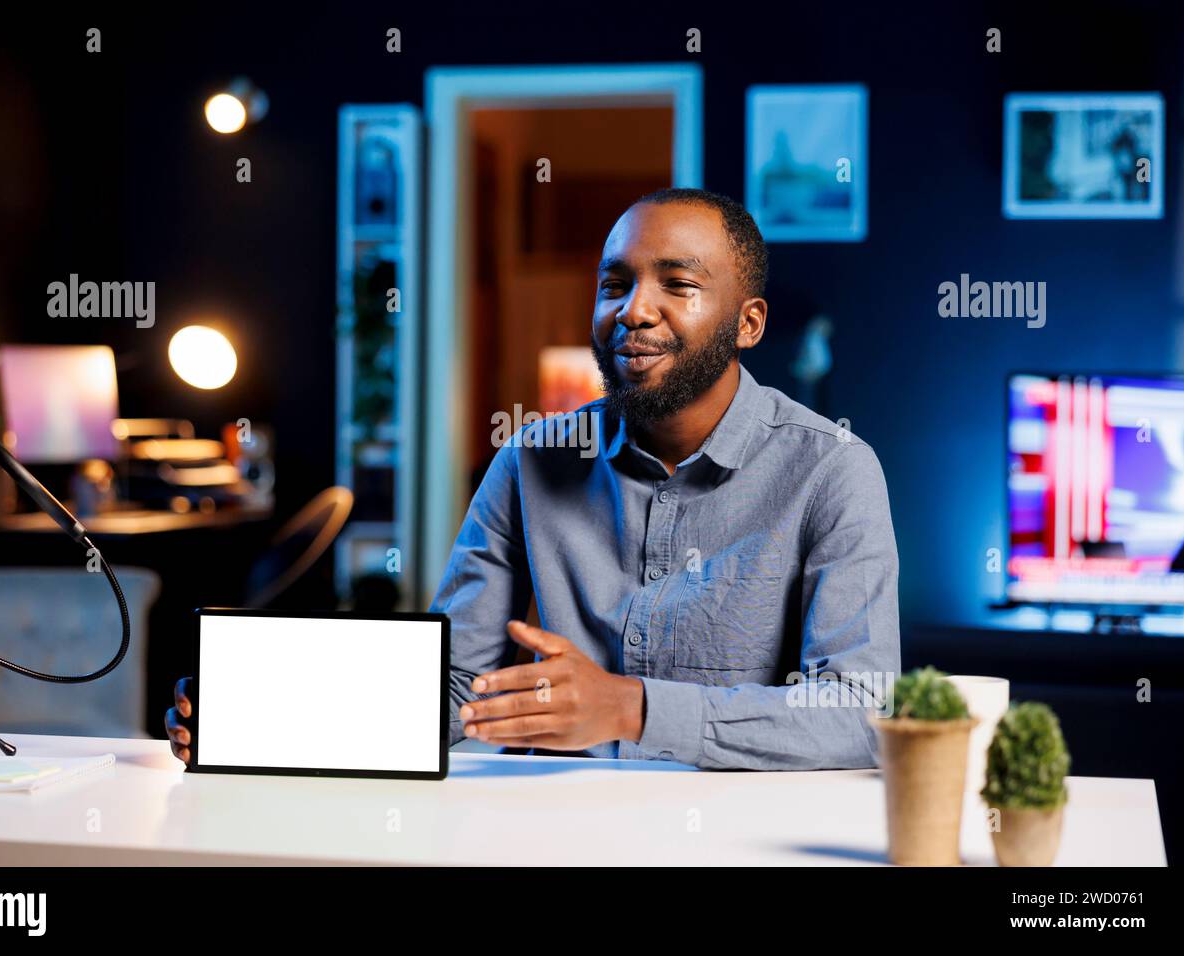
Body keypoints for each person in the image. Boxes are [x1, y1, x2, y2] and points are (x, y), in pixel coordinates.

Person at [167, 187, 900, 770]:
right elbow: (457, 688)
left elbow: (859, 709)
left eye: (676, 284)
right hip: (552, 834)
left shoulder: (832, 469)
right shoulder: (530, 459)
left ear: (749, 323)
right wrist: (268, 719)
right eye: (615, 283)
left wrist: (633, 709)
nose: (633, 310)